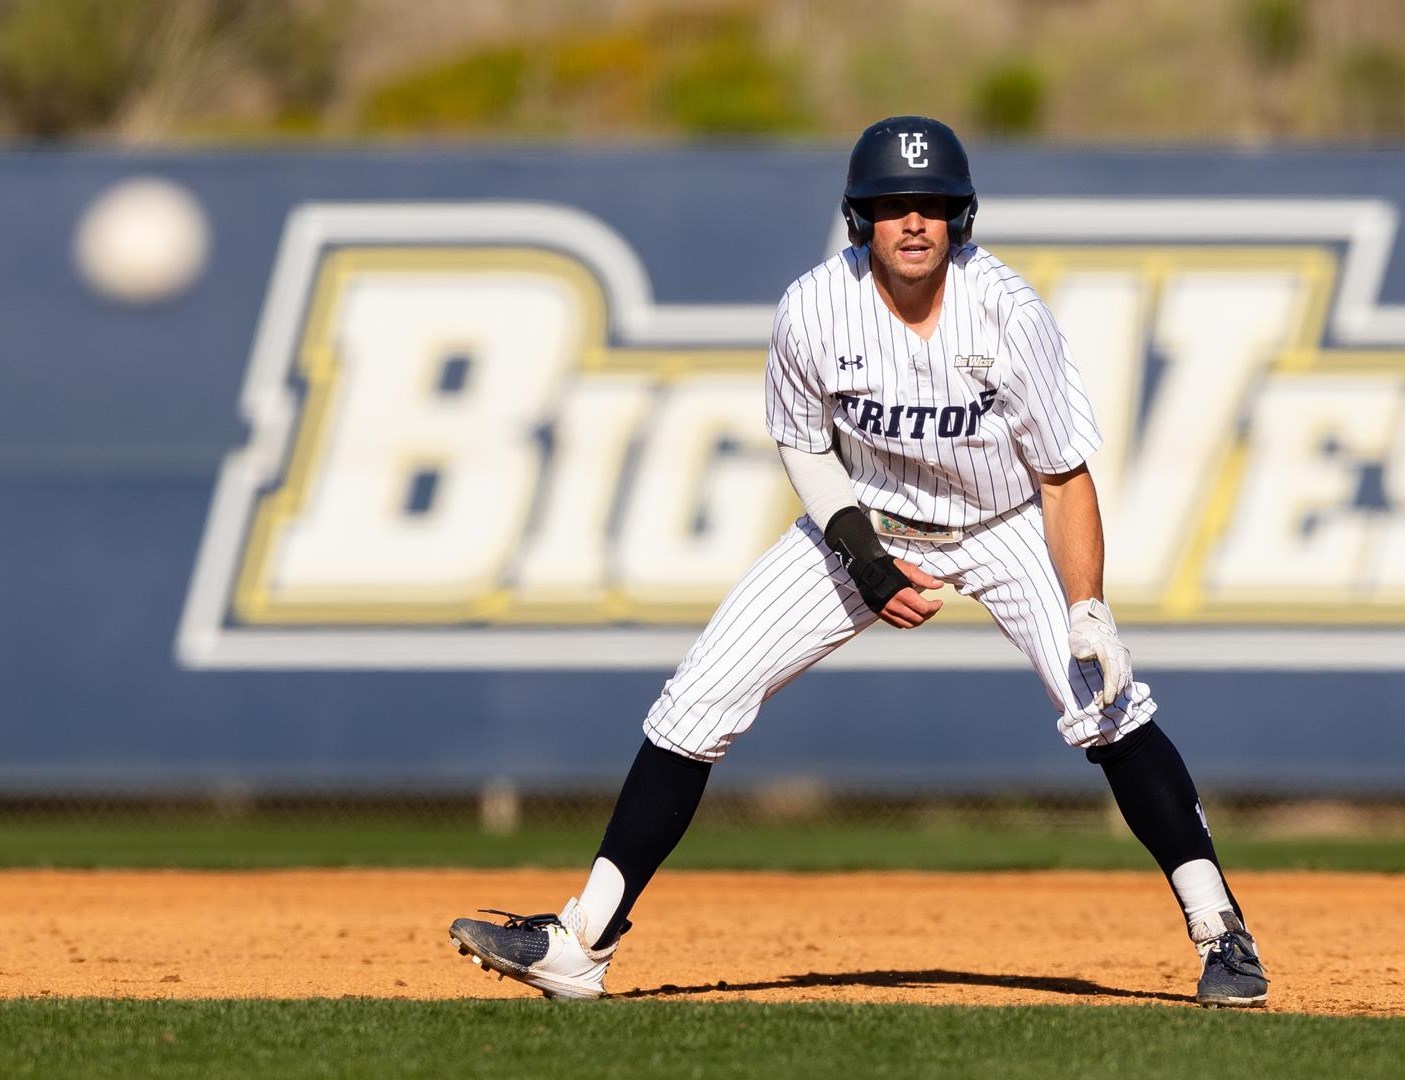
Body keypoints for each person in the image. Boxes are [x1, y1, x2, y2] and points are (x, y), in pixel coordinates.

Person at [449, 116, 1267, 1008]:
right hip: (862, 522)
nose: (911, 222)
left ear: (960, 217)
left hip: (1003, 522)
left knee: (1107, 706)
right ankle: (581, 944)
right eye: (889, 206)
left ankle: (1220, 930)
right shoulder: (812, 307)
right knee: (694, 704)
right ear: (858, 219)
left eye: (931, 205)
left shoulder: (1008, 314)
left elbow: (1064, 478)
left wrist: (1086, 607)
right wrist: (869, 566)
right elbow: (804, 447)